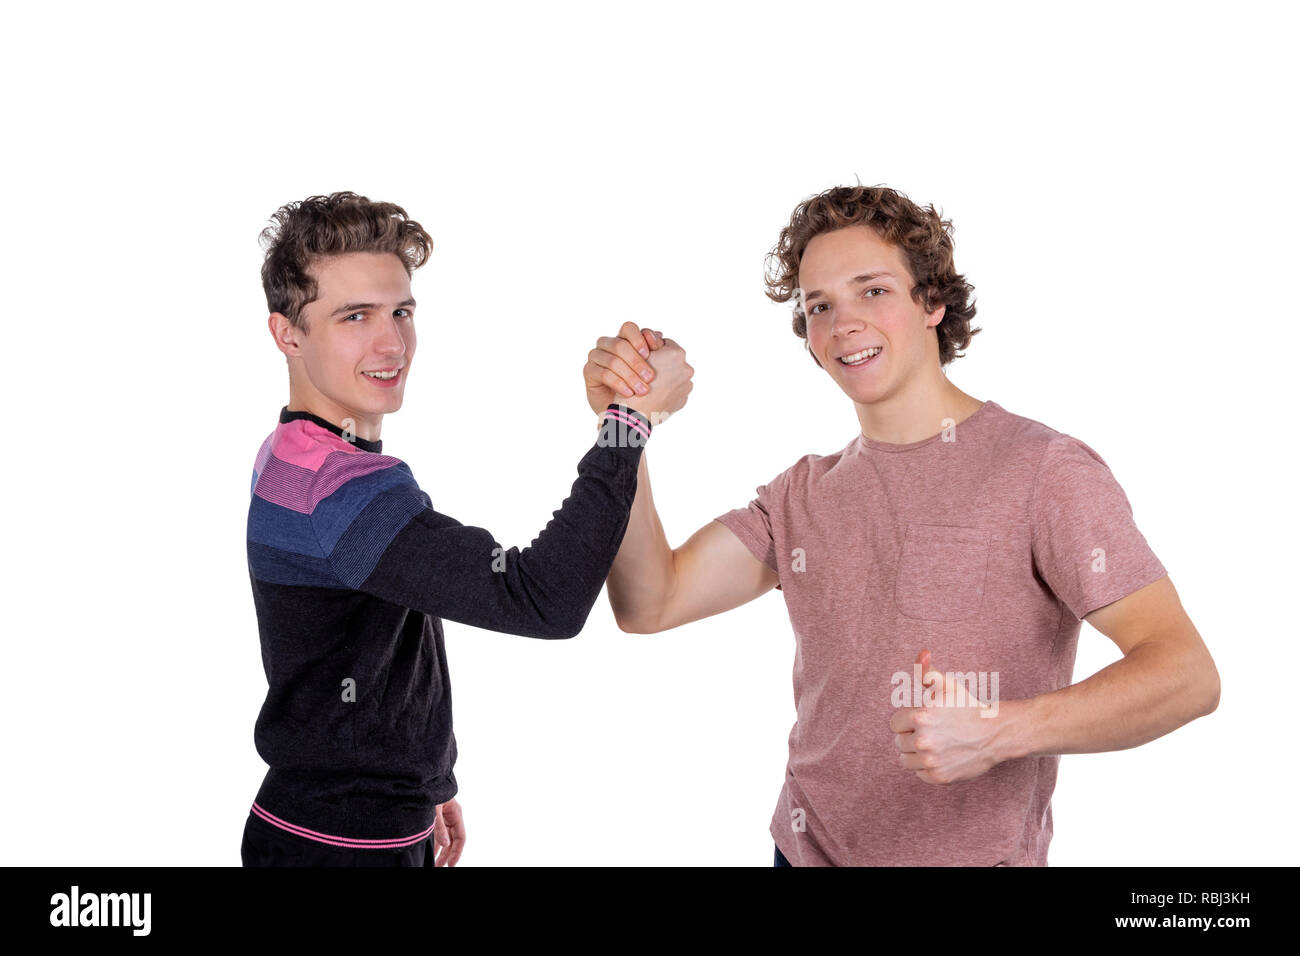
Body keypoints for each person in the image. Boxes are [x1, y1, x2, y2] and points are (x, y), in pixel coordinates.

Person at [589, 184, 1220, 866]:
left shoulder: (1042, 470)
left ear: (933, 302)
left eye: (873, 291)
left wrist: (1000, 731)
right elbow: (649, 602)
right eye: (819, 306)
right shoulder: (803, 493)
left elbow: (1186, 673)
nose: (844, 323)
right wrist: (626, 426)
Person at [242, 191, 693, 866]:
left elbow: (369, 630)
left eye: (401, 311)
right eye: (354, 316)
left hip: (355, 827)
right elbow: (545, 599)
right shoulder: (335, 489)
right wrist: (628, 425)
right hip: (336, 848)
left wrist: (422, 783)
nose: (391, 343)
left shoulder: (301, 451)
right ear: (287, 333)